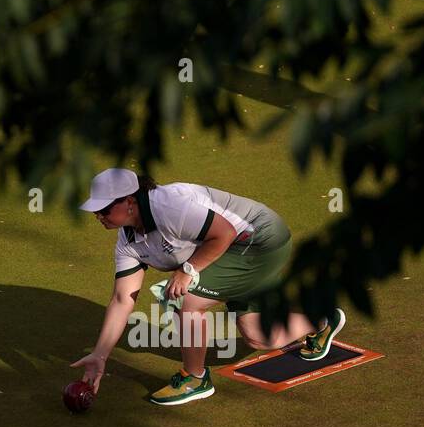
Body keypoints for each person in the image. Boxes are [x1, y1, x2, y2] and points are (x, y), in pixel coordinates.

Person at [70, 168, 345, 406]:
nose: (98, 216)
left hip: (260, 240)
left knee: (183, 297)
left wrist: (187, 271)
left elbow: (225, 233)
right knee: (259, 337)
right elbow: (122, 299)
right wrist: (100, 355)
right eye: (95, 210)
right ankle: (322, 319)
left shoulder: (168, 206)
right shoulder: (128, 241)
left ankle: (195, 379)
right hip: (228, 255)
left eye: (104, 209)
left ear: (129, 202)